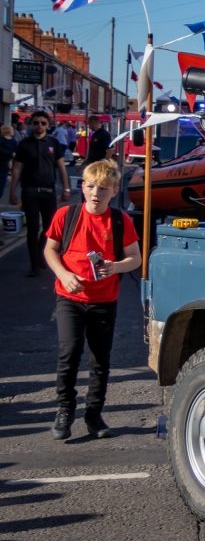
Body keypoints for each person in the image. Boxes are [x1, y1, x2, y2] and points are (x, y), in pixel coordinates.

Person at [43, 159, 140, 440]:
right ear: (82, 186)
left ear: (114, 190)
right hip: (69, 297)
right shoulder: (66, 215)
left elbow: (135, 258)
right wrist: (63, 274)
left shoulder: (121, 220)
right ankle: (65, 409)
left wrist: (115, 266)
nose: (96, 193)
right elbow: (50, 249)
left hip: (104, 300)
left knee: (100, 360)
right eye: (91, 186)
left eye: (103, 188)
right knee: (69, 353)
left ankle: (94, 415)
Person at [9, 110, 70, 276]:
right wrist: (12, 191)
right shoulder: (24, 144)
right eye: (36, 122)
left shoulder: (53, 143)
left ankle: (42, 255)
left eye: (43, 123)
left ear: (48, 125)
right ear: (31, 124)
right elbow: (17, 169)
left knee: (49, 228)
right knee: (33, 228)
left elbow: (62, 167)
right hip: (29, 191)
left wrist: (66, 188)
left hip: (48, 191)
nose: (39, 126)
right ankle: (34, 264)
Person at [0, 124, 18, 201]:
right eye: (11, 129)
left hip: (6, 166)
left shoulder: (14, 141)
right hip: (2, 163)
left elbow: (16, 153)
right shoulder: (1, 140)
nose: (13, 131)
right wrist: (11, 154)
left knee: (1, 187)